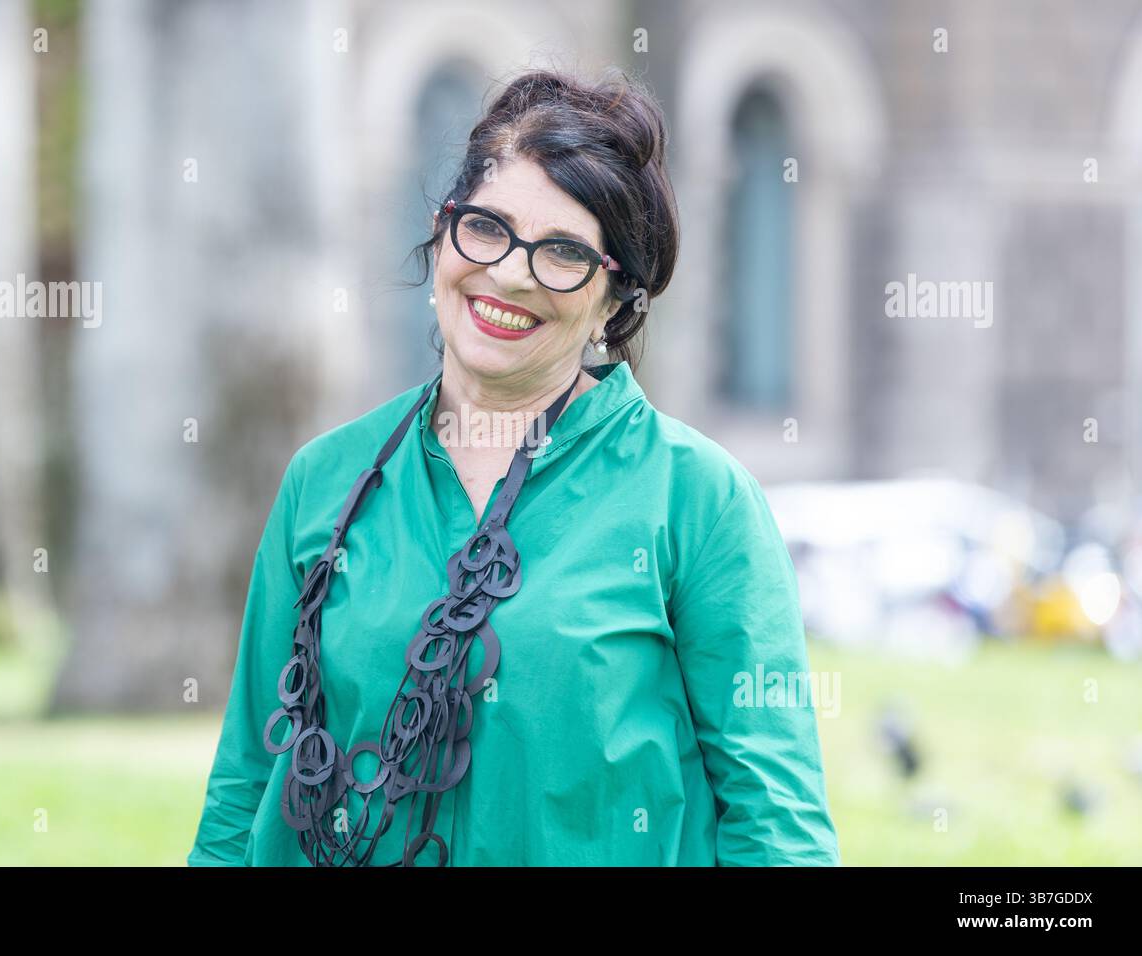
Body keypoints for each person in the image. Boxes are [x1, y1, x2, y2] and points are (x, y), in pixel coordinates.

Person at [187, 67, 839, 866]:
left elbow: (775, 822)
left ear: (615, 300)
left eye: (563, 251)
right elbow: (247, 781)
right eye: (487, 228)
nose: (510, 272)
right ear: (442, 230)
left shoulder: (699, 501)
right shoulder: (324, 480)